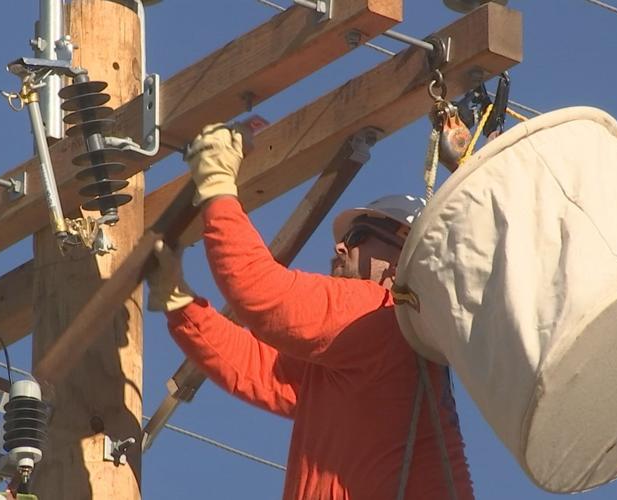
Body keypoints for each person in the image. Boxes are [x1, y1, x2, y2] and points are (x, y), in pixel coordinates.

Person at [147, 124, 474, 499]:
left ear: (405, 258)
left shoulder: (380, 317)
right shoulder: (372, 355)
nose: (338, 248)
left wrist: (218, 185)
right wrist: (180, 304)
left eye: (357, 236)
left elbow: (258, 291)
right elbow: (260, 370)